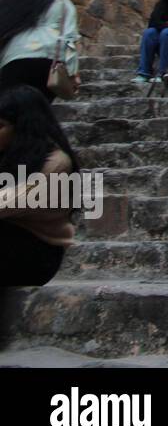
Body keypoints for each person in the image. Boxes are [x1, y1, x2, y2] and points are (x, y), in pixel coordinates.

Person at [0, 85, 81, 285]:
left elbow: (10, 202)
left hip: (37, 252)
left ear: (22, 127)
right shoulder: (8, 156)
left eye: (0, 126)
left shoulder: (57, 163)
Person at [0, 0, 79, 101]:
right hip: (48, 64)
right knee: (39, 109)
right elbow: (69, 40)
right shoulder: (64, 6)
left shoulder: (15, 1)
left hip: (14, 60)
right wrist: (73, 72)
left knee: (8, 112)